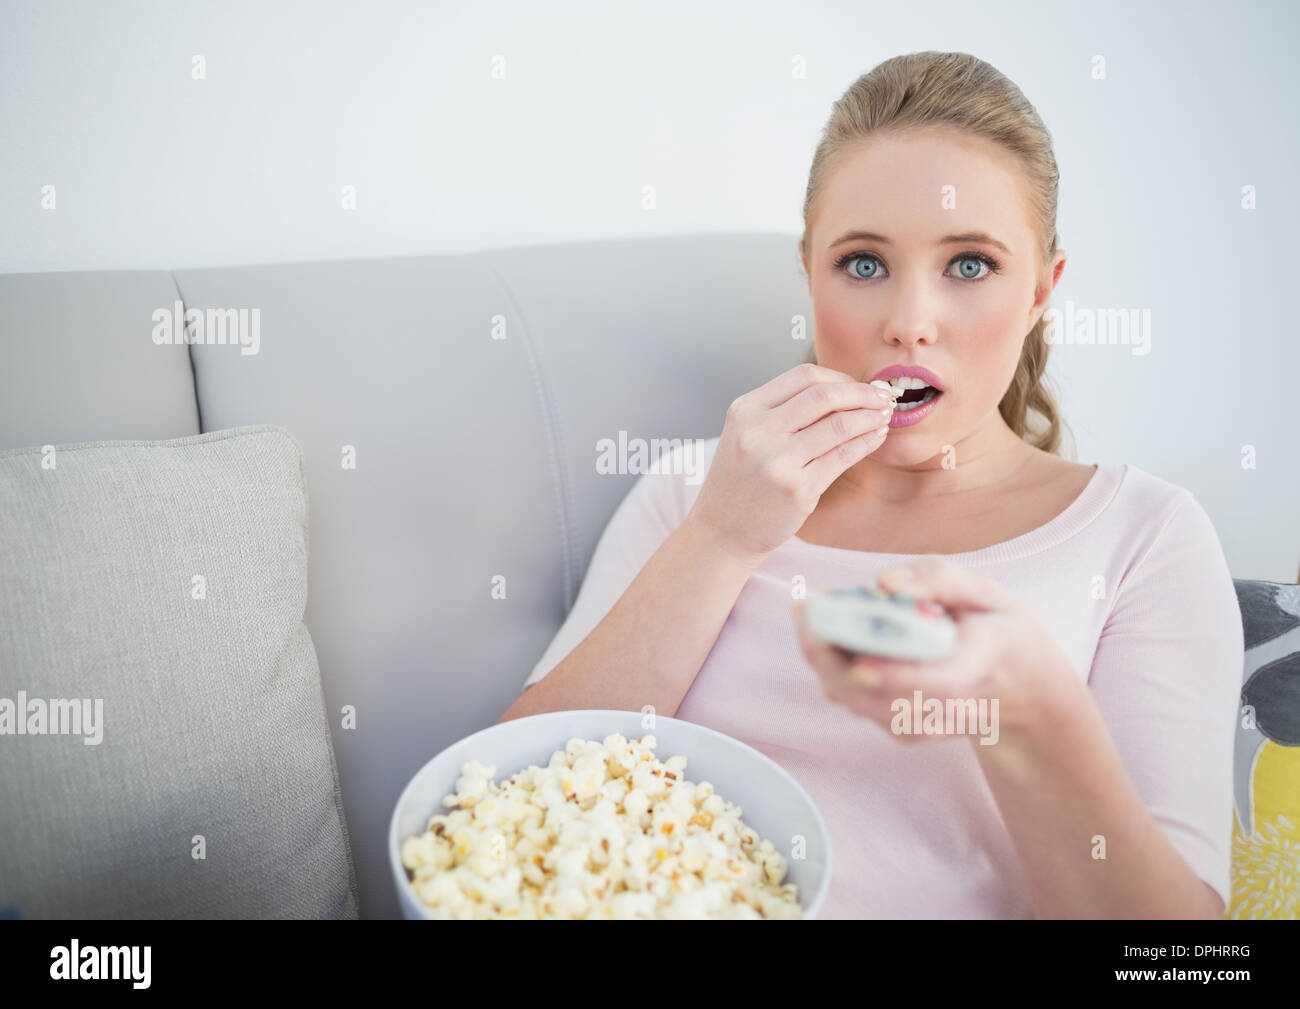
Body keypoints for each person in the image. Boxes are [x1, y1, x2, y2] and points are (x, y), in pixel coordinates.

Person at [500, 51, 1242, 920]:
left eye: (970, 265)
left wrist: (1030, 712)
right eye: (862, 264)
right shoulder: (695, 491)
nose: (908, 322)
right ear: (809, 270)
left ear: (1044, 288)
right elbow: (506, 816)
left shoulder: (1144, 537)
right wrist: (721, 539)